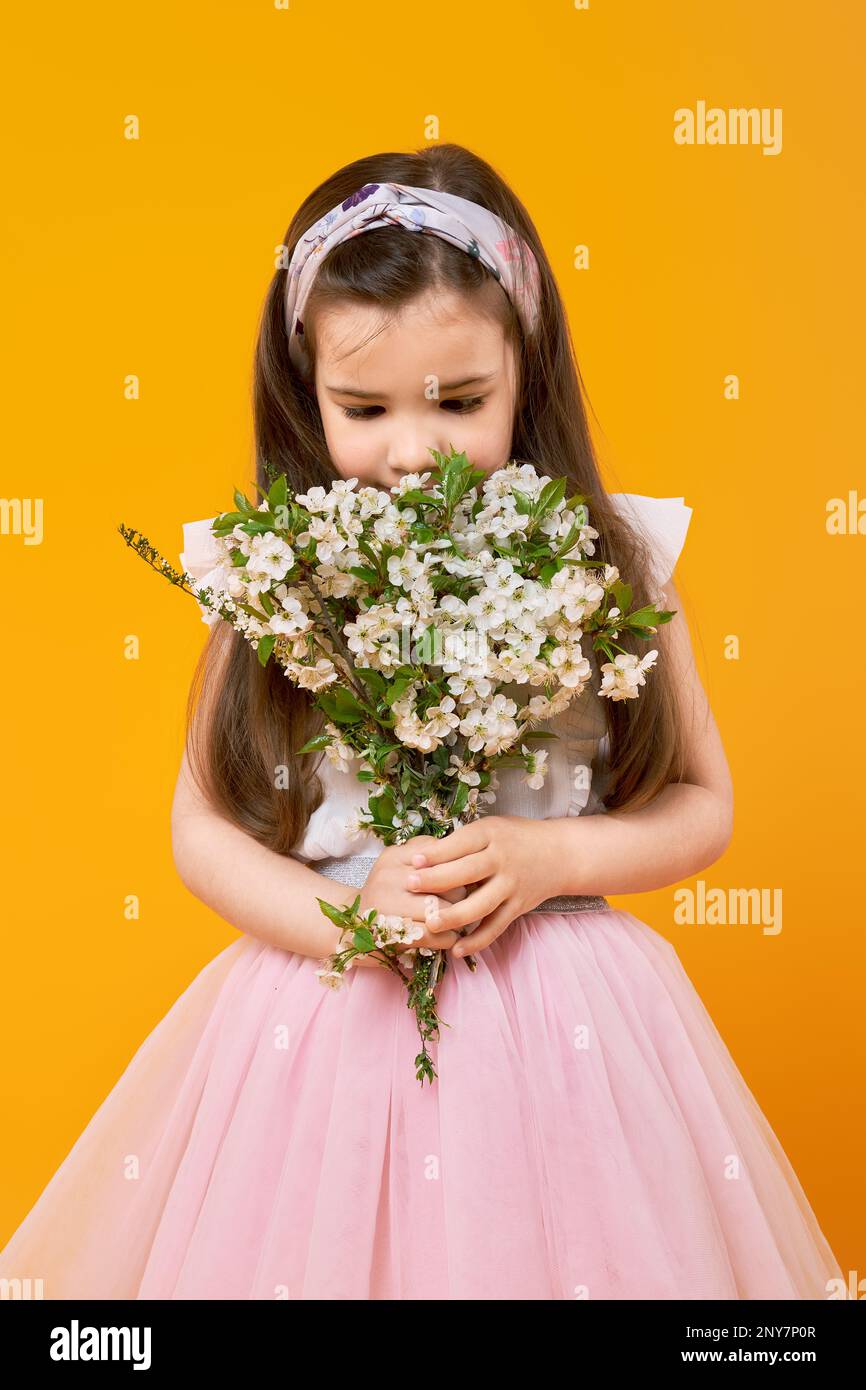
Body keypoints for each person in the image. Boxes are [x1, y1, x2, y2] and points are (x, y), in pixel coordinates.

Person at [0, 144, 845, 1300]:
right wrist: (348, 912)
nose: (411, 449)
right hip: (329, 1015)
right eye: (363, 407)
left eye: (459, 402)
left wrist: (551, 854)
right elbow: (198, 830)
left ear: (525, 373)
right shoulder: (277, 574)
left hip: (569, 1028)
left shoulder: (611, 559)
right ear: (305, 392)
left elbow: (705, 803)